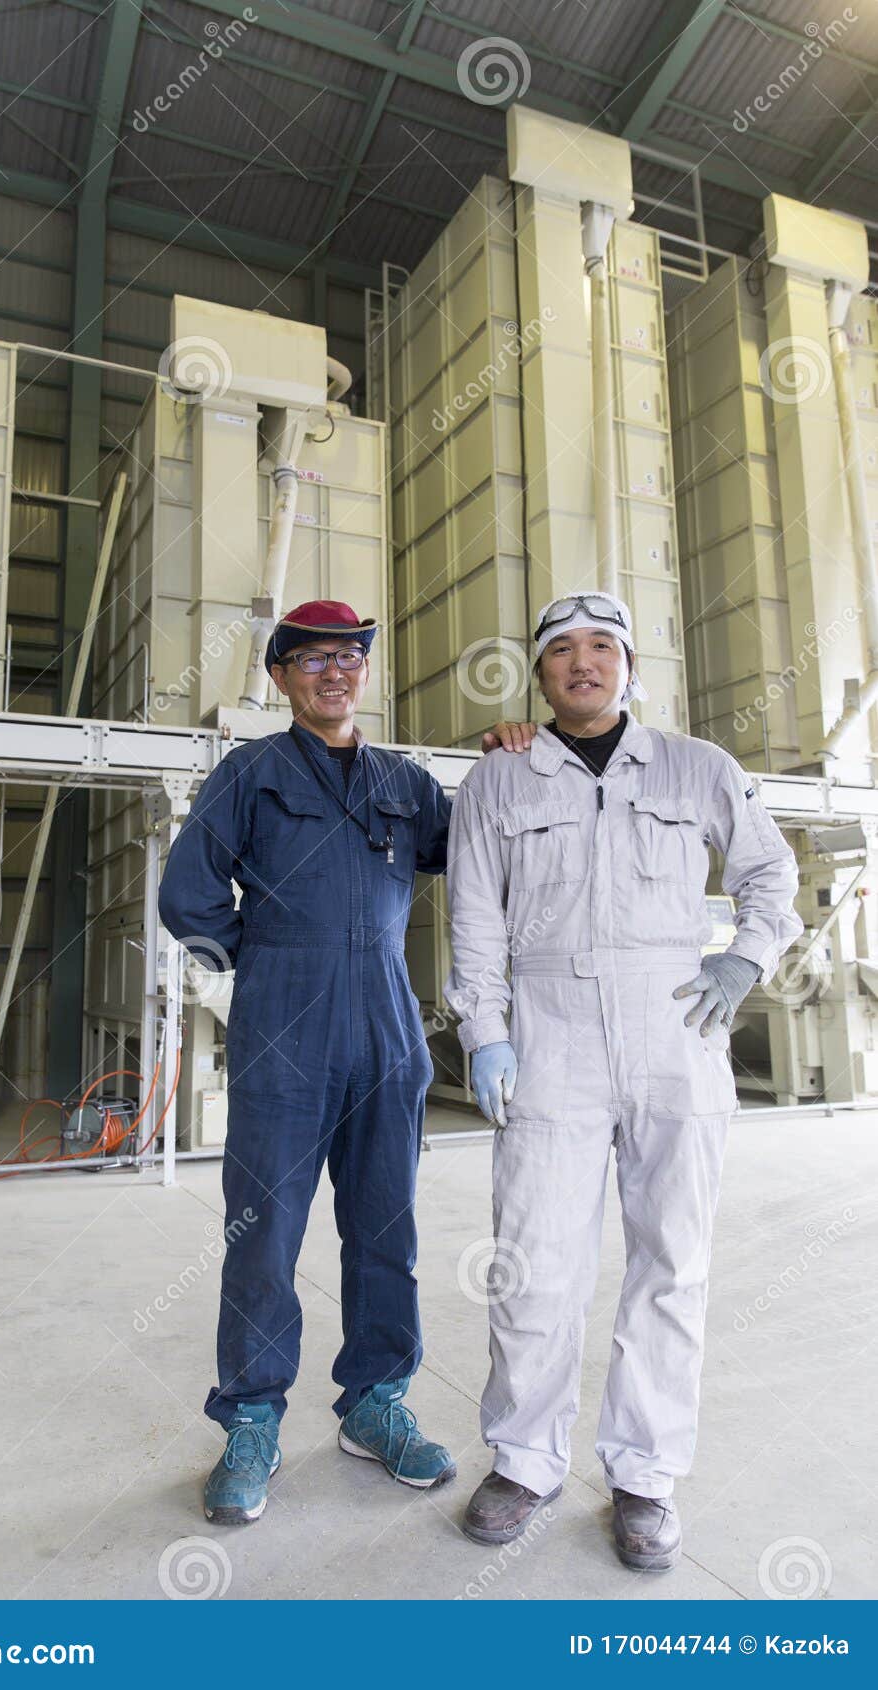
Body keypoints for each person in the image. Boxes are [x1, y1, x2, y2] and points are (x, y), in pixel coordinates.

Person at [445, 590, 803, 1570]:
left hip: (675, 1027)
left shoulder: (698, 767)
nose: (582, 661)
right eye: (561, 648)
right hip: (548, 1036)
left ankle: (645, 1476)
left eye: (601, 645)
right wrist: (485, 1032)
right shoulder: (499, 779)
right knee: (534, 1263)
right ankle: (523, 1460)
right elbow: (472, 916)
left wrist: (744, 958)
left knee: (670, 1264)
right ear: (539, 674)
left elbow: (769, 874)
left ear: (629, 666)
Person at [159, 600, 528, 1526]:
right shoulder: (249, 773)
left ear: (364, 672)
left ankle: (375, 1402)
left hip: (388, 1021)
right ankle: (251, 1417)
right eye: (313, 659)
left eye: (349, 657)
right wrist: (264, 956)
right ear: (282, 677)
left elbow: (481, 851)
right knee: (264, 1232)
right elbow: (188, 896)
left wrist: (511, 761)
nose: (334, 672)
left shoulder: (406, 782)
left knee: (384, 1231)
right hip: (283, 1021)